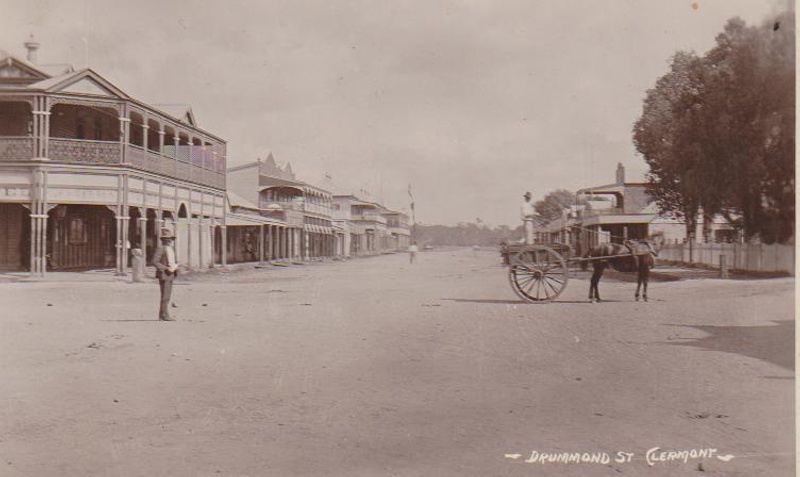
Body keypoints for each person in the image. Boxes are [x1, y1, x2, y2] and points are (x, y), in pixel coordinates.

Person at [151, 228, 179, 321]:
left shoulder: (171, 249)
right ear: (163, 240)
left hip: (171, 273)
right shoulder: (161, 249)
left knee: (167, 295)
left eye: (170, 239)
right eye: (167, 239)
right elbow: (155, 261)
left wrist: (175, 266)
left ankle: (162, 315)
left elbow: (172, 260)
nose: (169, 240)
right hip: (164, 274)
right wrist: (165, 268)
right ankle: (165, 315)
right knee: (165, 296)